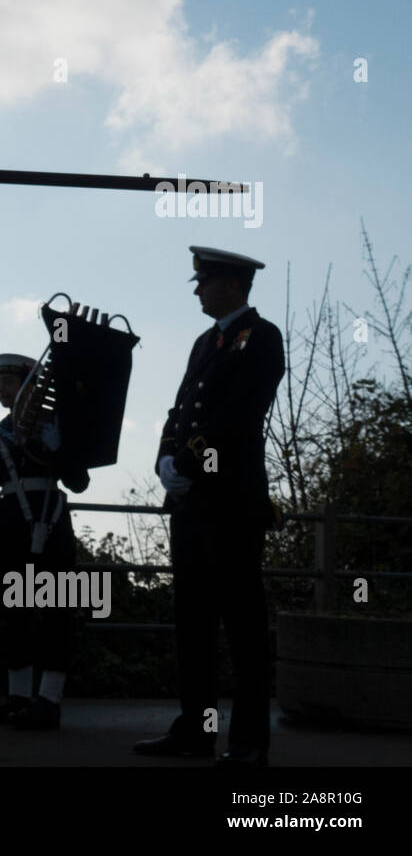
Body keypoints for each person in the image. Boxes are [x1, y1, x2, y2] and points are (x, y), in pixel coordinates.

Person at [133, 246, 283, 767]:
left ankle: (247, 741)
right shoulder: (206, 342)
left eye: (203, 281)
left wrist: (191, 466)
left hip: (232, 502)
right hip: (193, 504)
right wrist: (164, 460)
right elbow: (181, 409)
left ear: (231, 285)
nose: (197, 289)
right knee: (192, 621)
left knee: (243, 625)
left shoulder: (261, 338)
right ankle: (195, 731)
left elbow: (240, 414)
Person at [0, 354, 89, 730]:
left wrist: (60, 448)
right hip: (10, 529)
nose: (1, 389)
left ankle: (49, 700)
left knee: (56, 611)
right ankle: (19, 697)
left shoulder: (55, 428)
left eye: (9, 382)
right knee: (15, 616)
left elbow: (79, 482)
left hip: (52, 524)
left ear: (29, 386)